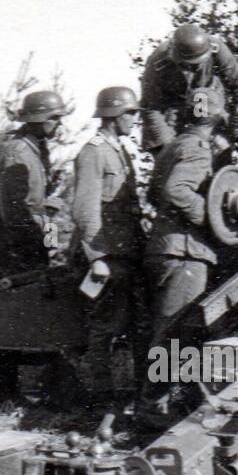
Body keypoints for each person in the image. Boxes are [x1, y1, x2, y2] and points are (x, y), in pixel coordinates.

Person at [135, 84, 227, 426]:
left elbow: (156, 190)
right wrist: (212, 215)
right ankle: (151, 408)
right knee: (175, 332)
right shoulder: (198, 149)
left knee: (174, 330)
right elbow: (177, 191)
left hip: (167, 247)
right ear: (216, 116)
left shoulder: (175, 144)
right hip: (185, 250)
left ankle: (175, 401)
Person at [70, 85, 149, 405]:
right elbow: (84, 209)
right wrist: (96, 257)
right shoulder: (93, 151)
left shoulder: (120, 150)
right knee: (105, 325)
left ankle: (137, 389)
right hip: (107, 252)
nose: (134, 119)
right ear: (114, 114)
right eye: (130, 113)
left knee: (134, 321)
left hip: (126, 249)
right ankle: (100, 393)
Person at [0, 89, 70, 277]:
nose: (60, 123)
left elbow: (44, 211)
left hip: (32, 239)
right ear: (38, 118)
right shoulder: (18, 151)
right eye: (55, 118)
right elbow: (13, 210)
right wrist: (38, 242)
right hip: (16, 244)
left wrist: (50, 243)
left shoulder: (38, 150)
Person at [139, 23, 238, 154]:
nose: (196, 68)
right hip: (172, 110)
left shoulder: (216, 49)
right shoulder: (158, 63)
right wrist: (168, 147)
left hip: (207, 103)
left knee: (215, 154)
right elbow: (150, 107)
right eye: (190, 65)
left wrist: (229, 134)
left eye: (199, 63)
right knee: (172, 156)